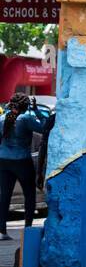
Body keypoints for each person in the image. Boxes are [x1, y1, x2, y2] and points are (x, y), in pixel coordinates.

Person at [0, 93, 53, 240]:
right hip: (22, 161)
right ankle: (28, 229)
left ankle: (2, 231)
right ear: (25, 106)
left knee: (4, 196)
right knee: (29, 195)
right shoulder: (26, 119)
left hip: (3, 161)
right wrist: (36, 110)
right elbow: (45, 127)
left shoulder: (2, 119)